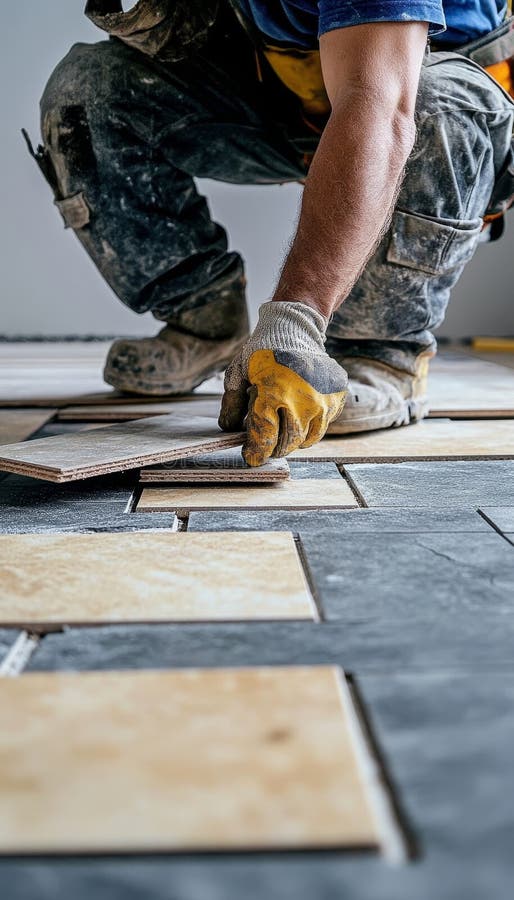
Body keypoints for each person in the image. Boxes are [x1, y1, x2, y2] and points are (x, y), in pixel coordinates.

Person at [34, 1, 514, 465]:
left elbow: (382, 112)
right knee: (90, 87)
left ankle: (382, 352)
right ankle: (205, 322)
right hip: (293, 99)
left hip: (420, 112)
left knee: (432, 100)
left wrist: (294, 321)